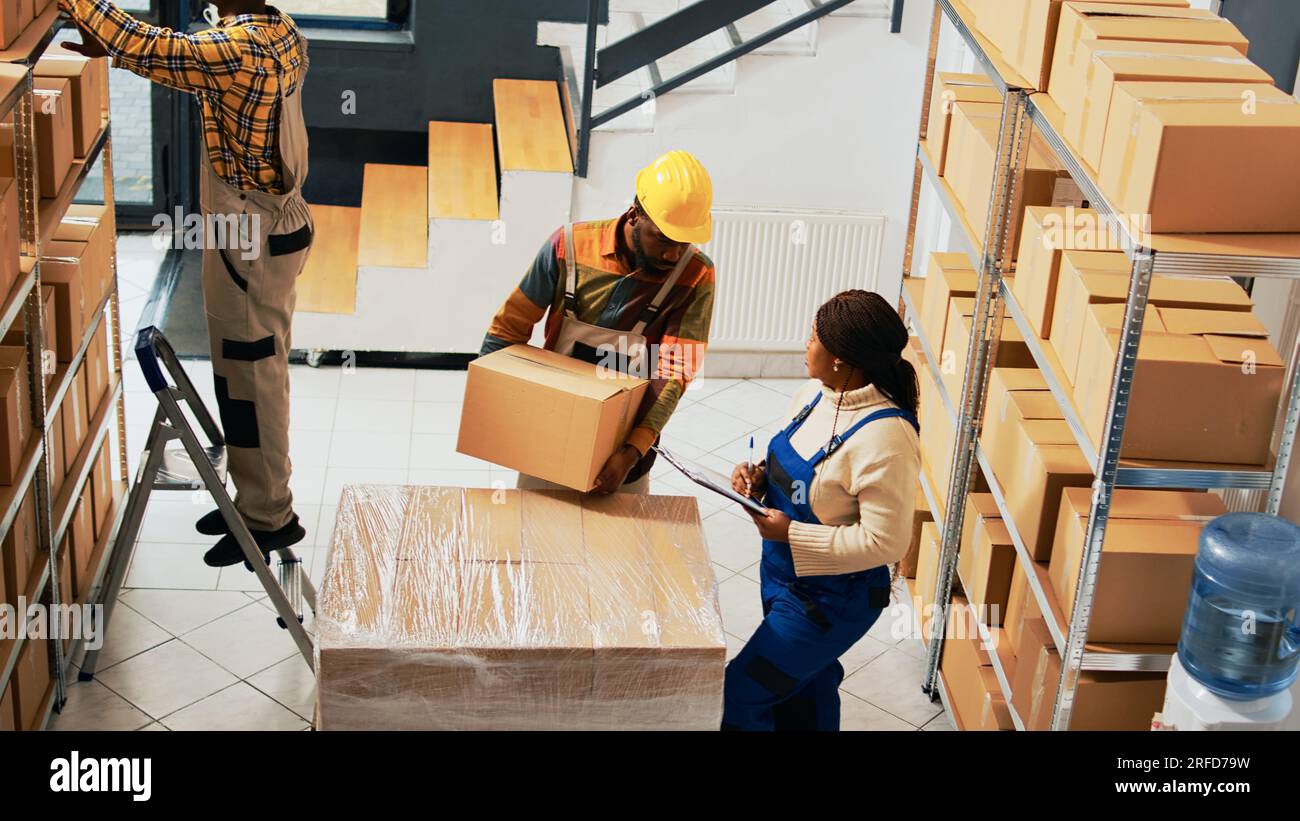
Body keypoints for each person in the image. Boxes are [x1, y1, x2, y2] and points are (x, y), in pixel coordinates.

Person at [60, 1, 313, 568]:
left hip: (252, 234)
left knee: (251, 377)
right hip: (267, 226)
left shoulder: (239, 47)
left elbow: (160, 48)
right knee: (243, 370)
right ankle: (254, 498)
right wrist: (120, 50)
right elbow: (178, 61)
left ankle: (268, 515)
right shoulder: (277, 30)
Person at [723, 290, 921, 731]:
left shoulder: (885, 439)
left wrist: (790, 534)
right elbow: (805, 475)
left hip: (833, 599)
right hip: (780, 576)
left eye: (813, 338)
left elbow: (887, 542)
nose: (805, 345)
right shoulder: (812, 396)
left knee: (741, 691)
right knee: (803, 687)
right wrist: (755, 478)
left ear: (839, 358)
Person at [481, 150, 716, 494]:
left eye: (683, 243)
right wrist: (490, 408)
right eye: (664, 239)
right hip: (550, 426)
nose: (673, 255)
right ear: (635, 214)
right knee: (534, 535)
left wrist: (632, 451)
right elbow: (508, 330)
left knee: (615, 544)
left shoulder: (696, 274)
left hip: (625, 443)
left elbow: (674, 371)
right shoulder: (570, 247)